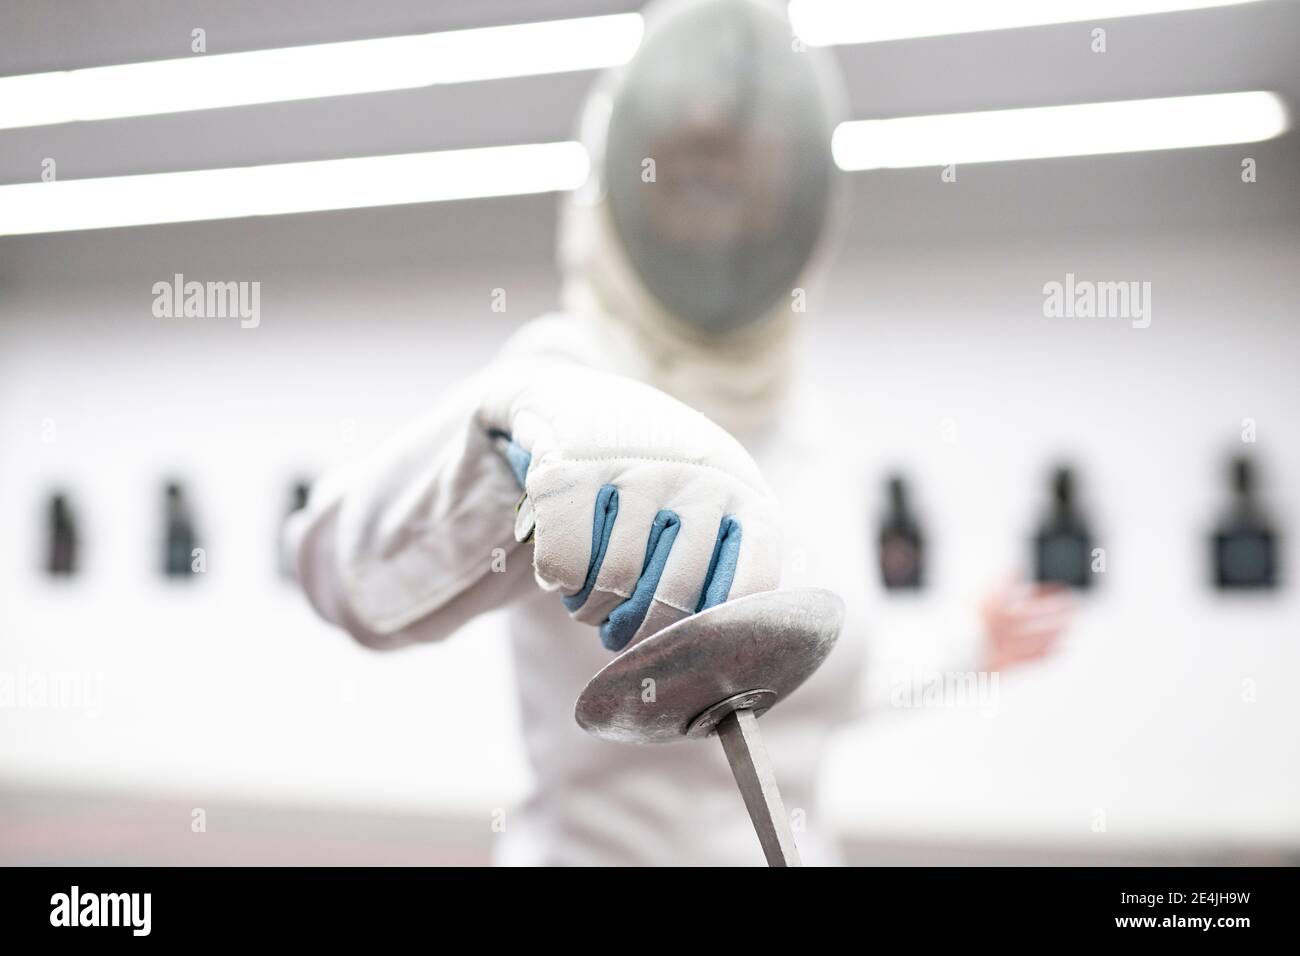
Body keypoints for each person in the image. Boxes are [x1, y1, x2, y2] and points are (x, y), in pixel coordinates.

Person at [286, 0, 1072, 865]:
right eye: (691, 166)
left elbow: (816, 679)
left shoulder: (801, 419)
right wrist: (500, 458)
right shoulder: (562, 373)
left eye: (742, 169)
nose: (718, 199)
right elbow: (338, 570)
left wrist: (966, 644)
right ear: (633, 172)